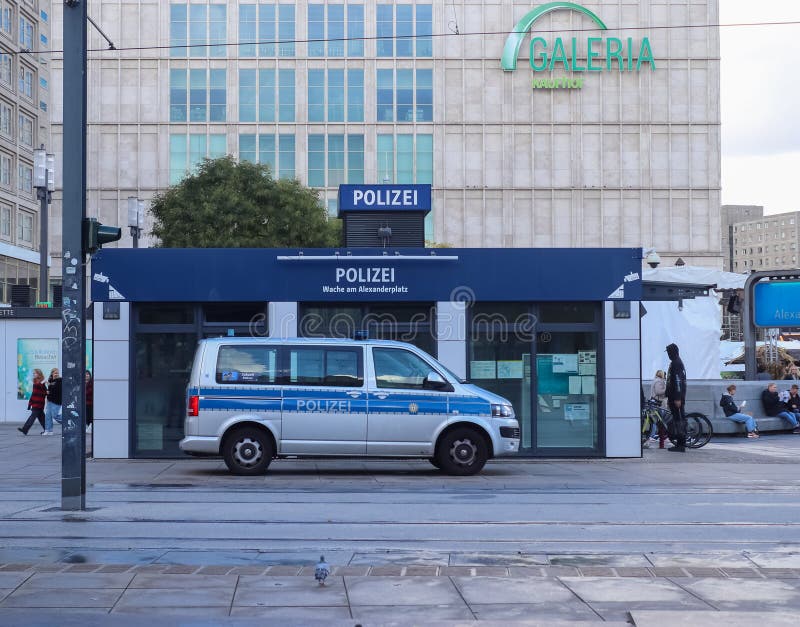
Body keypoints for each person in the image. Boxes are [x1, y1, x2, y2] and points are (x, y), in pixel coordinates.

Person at [665, 343, 687, 452]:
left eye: (669, 352)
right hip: (674, 396)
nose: (668, 355)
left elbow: (678, 381)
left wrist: (678, 398)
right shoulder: (676, 362)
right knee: (677, 419)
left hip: (676, 397)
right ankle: (679, 443)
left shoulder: (676, 363)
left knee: (679, 420)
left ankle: (681, 444)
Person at [644, 370, 668, 449]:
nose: (665, 376)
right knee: (658, 422)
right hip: (659, 404)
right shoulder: (659, 381)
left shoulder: (655, 380)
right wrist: (668, 390)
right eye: (664, 375)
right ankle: (653, 437)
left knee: (657, 422)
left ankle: (657, 437)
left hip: (656, 403)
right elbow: (659, 391)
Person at [18, 369, 47, 435]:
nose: (33, 374)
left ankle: (25, 429)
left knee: (33, 417)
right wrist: (30, 403)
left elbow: (45, 392)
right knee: (42, 418)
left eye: (35, 373)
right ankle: (47, 429)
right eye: (33, 373)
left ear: (39, 374)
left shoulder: (40, 382)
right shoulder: (36, 382)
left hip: (38, 403)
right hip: (36, 403)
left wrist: (42, 384)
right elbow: (34, 394)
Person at [43, 368, 62, 435]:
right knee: (48, 415)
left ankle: (68, 421)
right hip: (50, 400)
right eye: (55, 373)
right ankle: (48, 430)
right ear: (52, 373)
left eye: (57, 373)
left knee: (55, 415)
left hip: (57, 401)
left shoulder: (60, 380)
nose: (56, 374)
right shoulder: (50, 380)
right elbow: (50, 391)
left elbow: (57, 390)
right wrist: (47, 392)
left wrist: (49, 385)